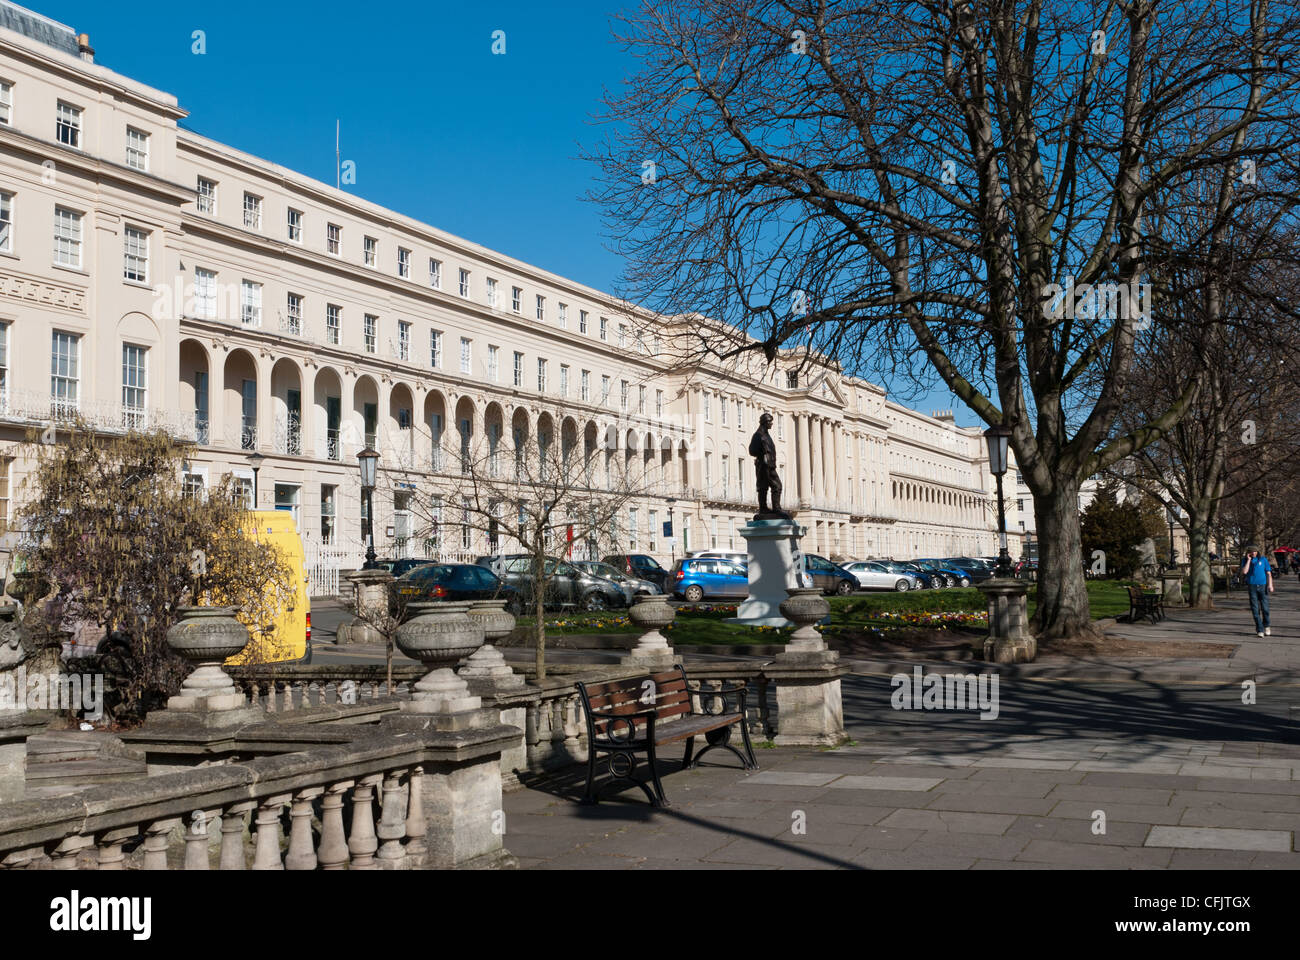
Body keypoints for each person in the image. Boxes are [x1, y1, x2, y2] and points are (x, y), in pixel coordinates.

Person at [1240, 544, 1274, 638]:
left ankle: (1266, 625)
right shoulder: (1245, 560)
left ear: (1257, 552)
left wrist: (1270, 585)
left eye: (1255, 551)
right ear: (1249, 553)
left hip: (1263, 586)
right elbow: (1244, 572)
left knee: (1265, 609)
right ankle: (1260, 629)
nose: (1254, 553)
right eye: (1252, 552)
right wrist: (1249, 560)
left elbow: (1269, 573)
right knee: (1255, 610)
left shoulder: (1263, 559)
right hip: (1252, 587)